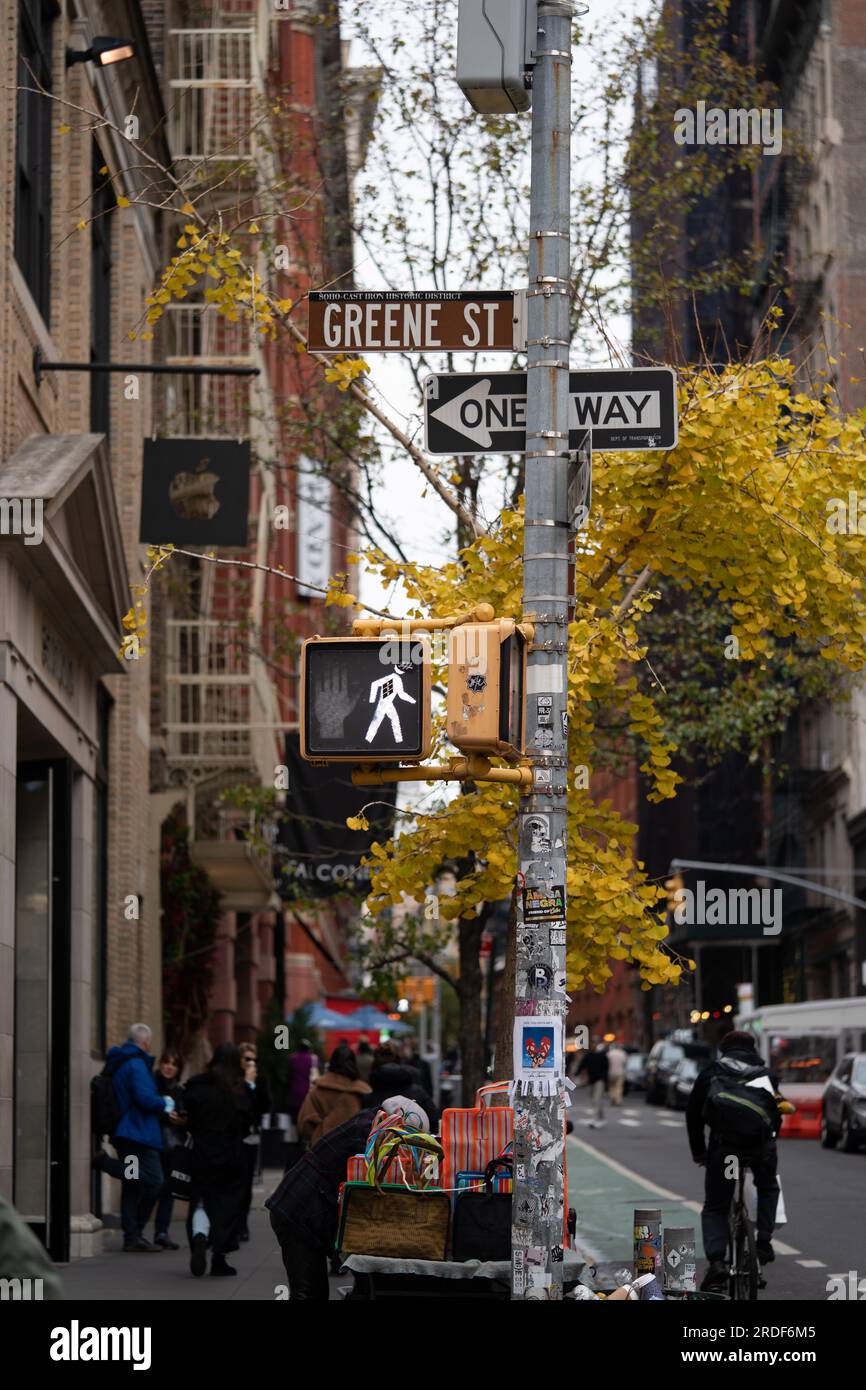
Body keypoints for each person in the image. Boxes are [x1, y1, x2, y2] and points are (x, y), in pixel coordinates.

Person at [266, 1097, 428, 1299]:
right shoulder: (368, 1133)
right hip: (299, 1210)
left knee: (313, 1291)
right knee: (306, 1291)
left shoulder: (367, 1123)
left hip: (301, 1207)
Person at [686, 1030, 782, 1293]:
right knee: (768, 1186)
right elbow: (777, 1114)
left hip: (725, 1150)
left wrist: (700, 1153)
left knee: (716, 1205)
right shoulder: (767, 1075)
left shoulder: (711, 1073)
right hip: (760, 1148)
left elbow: (693, 1116)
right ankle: (763, 1242)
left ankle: (717, 1262)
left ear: (724, 1049)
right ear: (752, 1049)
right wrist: (770, 1143)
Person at [105, 1023, 178, 1252]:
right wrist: (165, 1103)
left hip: (128, 1132)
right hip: (138, 1134)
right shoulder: (136, 1064)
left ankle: (132, 1236)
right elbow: (145, 1098)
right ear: (145, 1042)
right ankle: (104, 1163)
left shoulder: (123, 1061)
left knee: (132, 1184)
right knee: (154, 1181)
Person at [183, 1042, 253, 1277]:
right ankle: (219, 1257)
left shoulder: (197, 1085)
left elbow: (189, 1117)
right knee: (228, 1207)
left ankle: (200, 1235)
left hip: (202, 1153)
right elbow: (248, 1122)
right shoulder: (239, 1089)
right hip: (231, 1156)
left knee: (202, 1200)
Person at [145, 1049, 186, 1249]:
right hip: (152, 1141)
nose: (169, 1067)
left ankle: (162, 1232)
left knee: (169, 1188)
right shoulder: (151, 1085)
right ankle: (137, 1228)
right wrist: (165, 1116)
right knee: (153, 1186)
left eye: (173, 1064)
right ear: (160, 1064)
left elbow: (184, 1113)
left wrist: (181, 1119)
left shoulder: (179, 1090)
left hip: (172, 1145)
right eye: (166, 1062)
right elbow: (148, 1110)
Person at [298, 1043, 372, 1145]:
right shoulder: (363, 1092)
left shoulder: (317, 1091)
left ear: (332, 1062)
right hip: (354, 1152)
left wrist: (319, 1133)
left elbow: (305, 1123)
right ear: (353, 1064)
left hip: (321, 1151)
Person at [238, 1042, 270, 1242]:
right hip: (233, 1136)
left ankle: (242, 1223)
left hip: (251, 1135)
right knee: (234, 1181)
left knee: (246, 1181)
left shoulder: (260, 1079)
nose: (250, 1063)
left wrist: (254, 1086)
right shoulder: (232, 1079)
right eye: (246, 1059)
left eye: (253, 1059)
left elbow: (266, 1105)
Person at [367, 1042, 439, 1130]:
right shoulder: (416, 1086)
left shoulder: (368, 1092)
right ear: (398, 1059)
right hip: (415, 1140)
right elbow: (433, 1120)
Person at [577, 1039, 609, 1127]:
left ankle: (595, 1119)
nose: (594, 1045)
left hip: (600, 1080)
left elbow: (607, 1068)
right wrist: (576, 1074)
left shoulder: (603, 1055)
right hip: (591, 1081)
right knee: (595, 1100)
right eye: (593, 1043)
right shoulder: (589, 1055)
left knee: (596, 1099)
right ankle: (601, 1117)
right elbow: (582, 1065)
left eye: (596, 1043)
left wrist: (606, 1080)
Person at [285, 1039, 316, 1128]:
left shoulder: (292, 1058)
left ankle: (297, 1136)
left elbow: (289, 1076)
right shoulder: (313, 1059)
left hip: (295, 1092)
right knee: (306, 1115)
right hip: (308, 1092)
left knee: (295, 1116)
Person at [606, 1041, 627, 1107]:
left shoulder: (609, 1054)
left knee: (611, 1086)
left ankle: (612, 1097)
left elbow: (606, 1063)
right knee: (619, 1087)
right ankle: (617, 1099)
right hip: (620, 1072)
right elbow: (625, 1063)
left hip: (611, 1072)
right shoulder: (622, 1053)